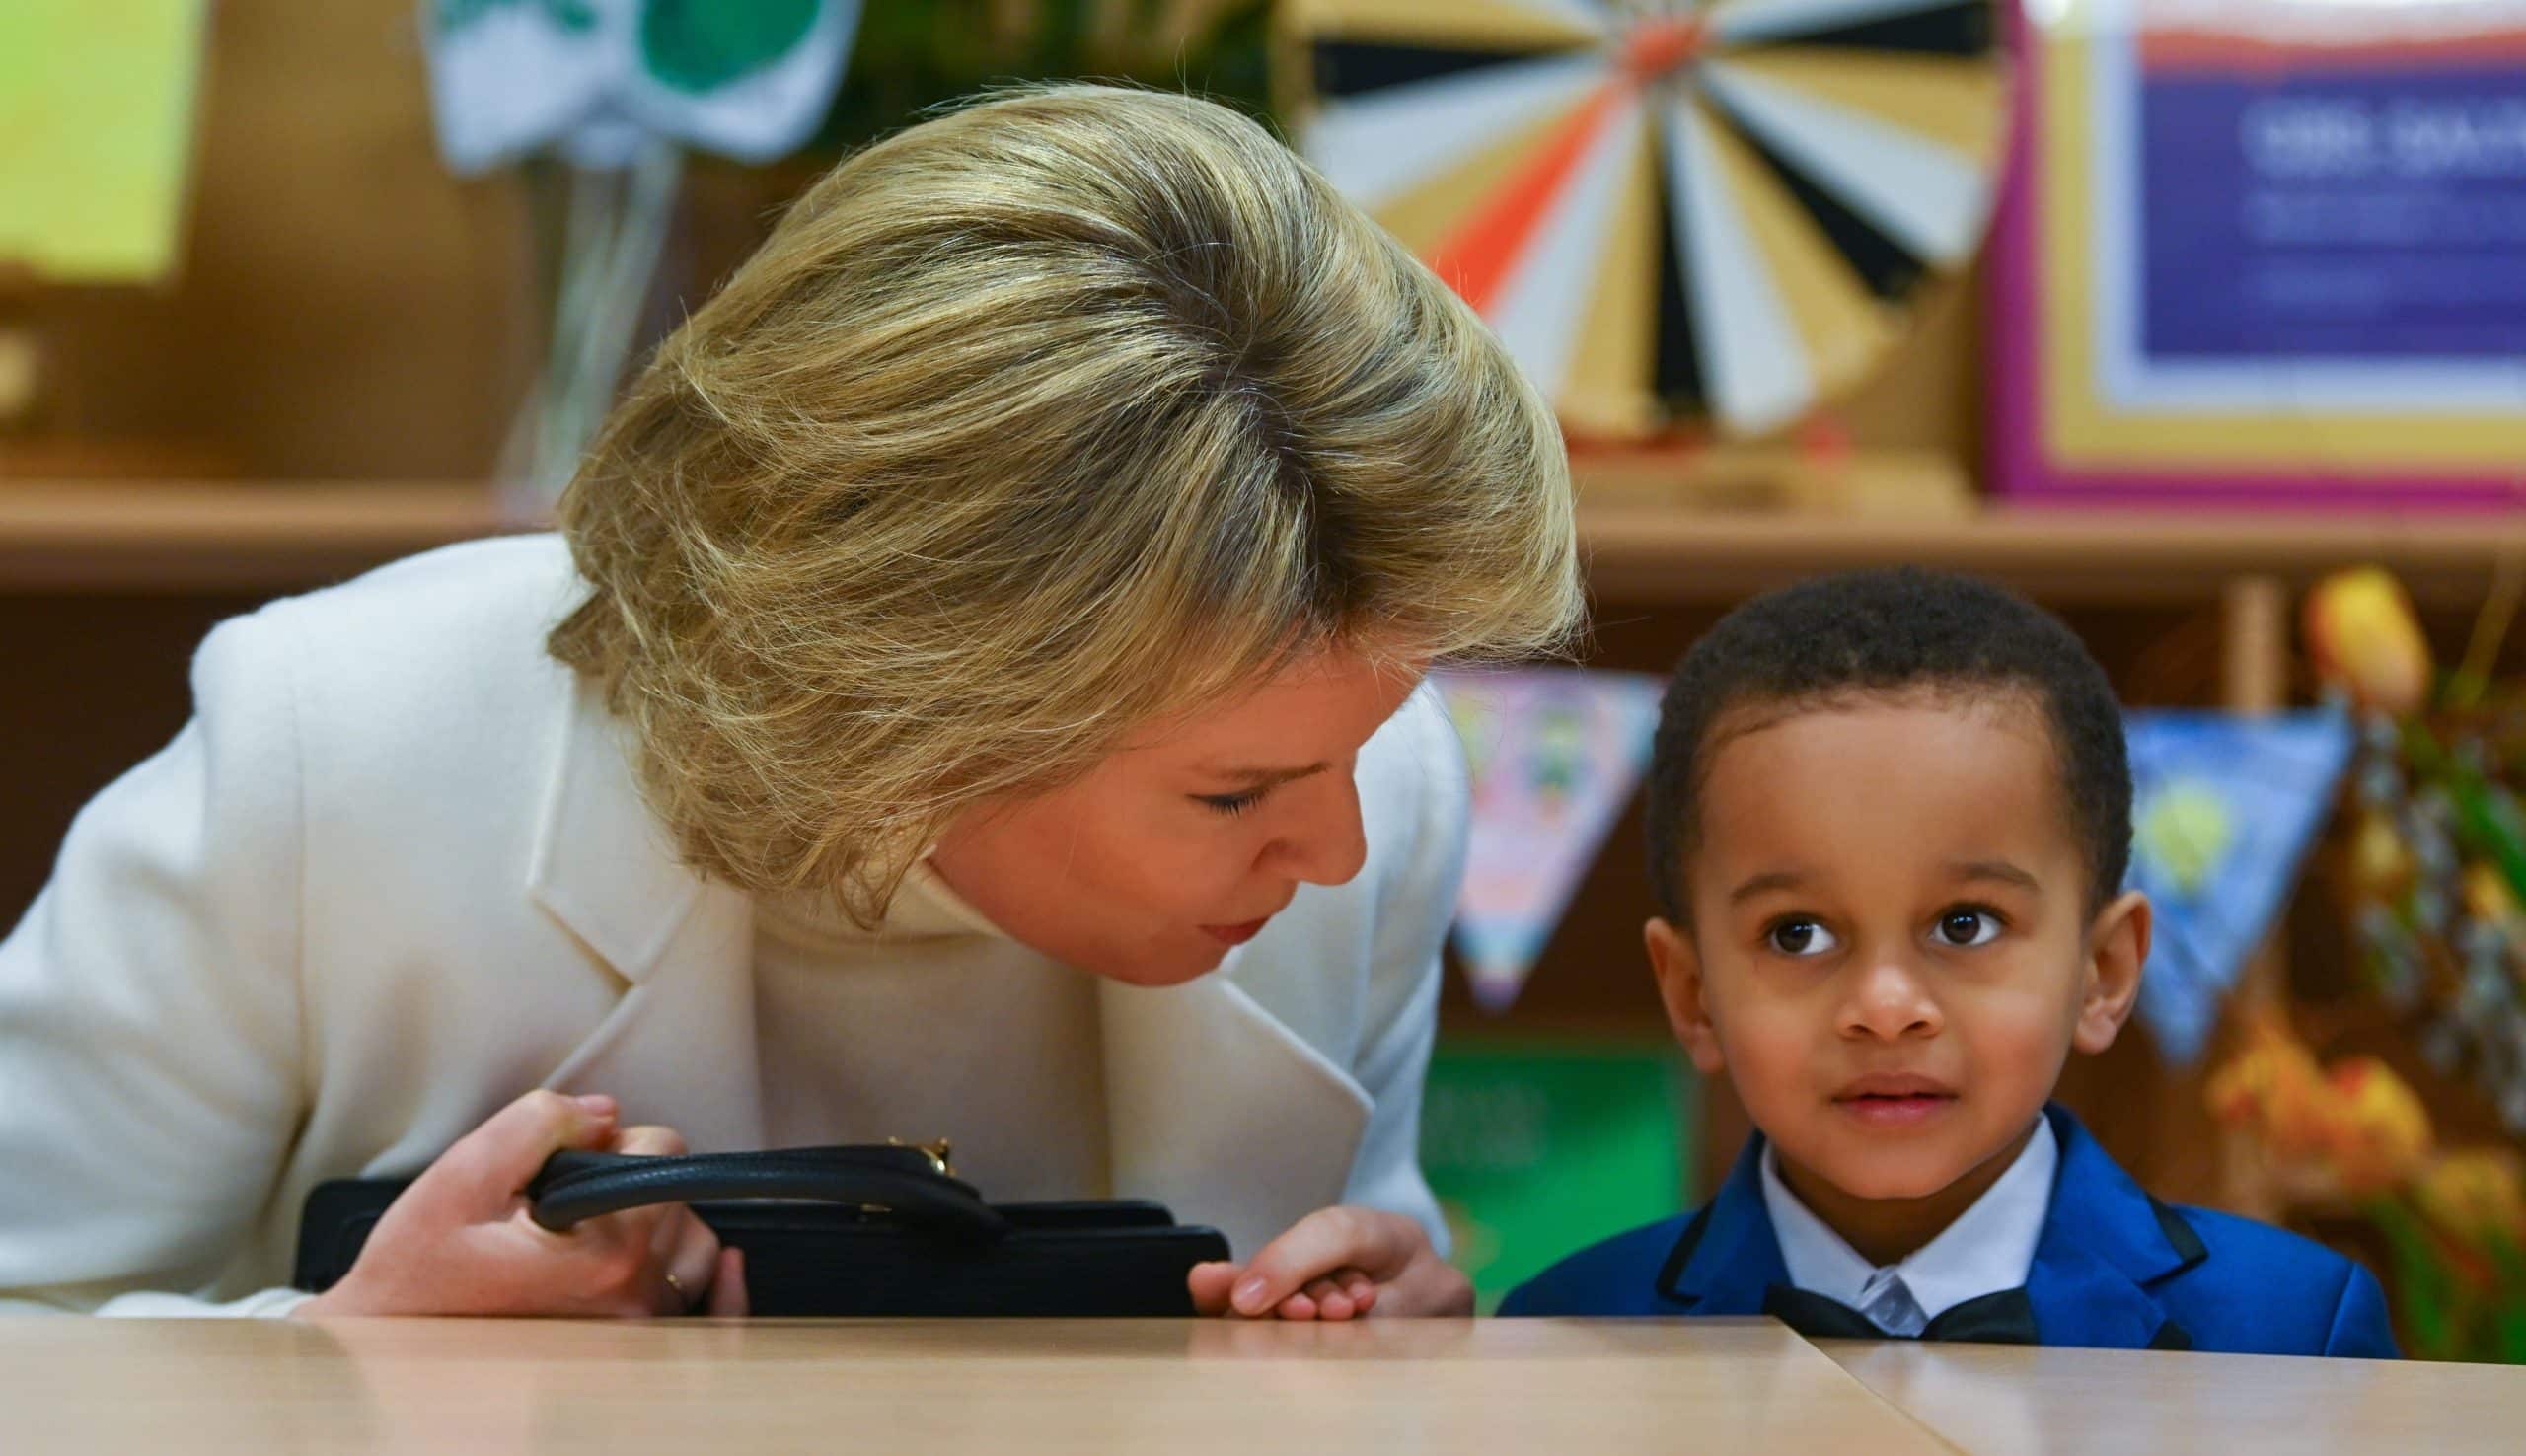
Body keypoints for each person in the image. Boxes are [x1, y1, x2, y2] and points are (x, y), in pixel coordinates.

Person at [0, 85, 1580, 1319]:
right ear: (909, 698)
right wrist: (336, 1356)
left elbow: (1363, 1274)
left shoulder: (1382, 774)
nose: (1344, 853)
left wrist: (1393, 1341)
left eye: (1366, 744)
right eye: (1233, 796)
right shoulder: (333, 744)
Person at [1501, 569, 2397, 1356]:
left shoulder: (2288, 1330)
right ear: (1693, 995)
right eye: (1797, 934)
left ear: (2105, 972)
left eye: (1965, 925)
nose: (1887, 1008)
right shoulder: (1566, 1333)